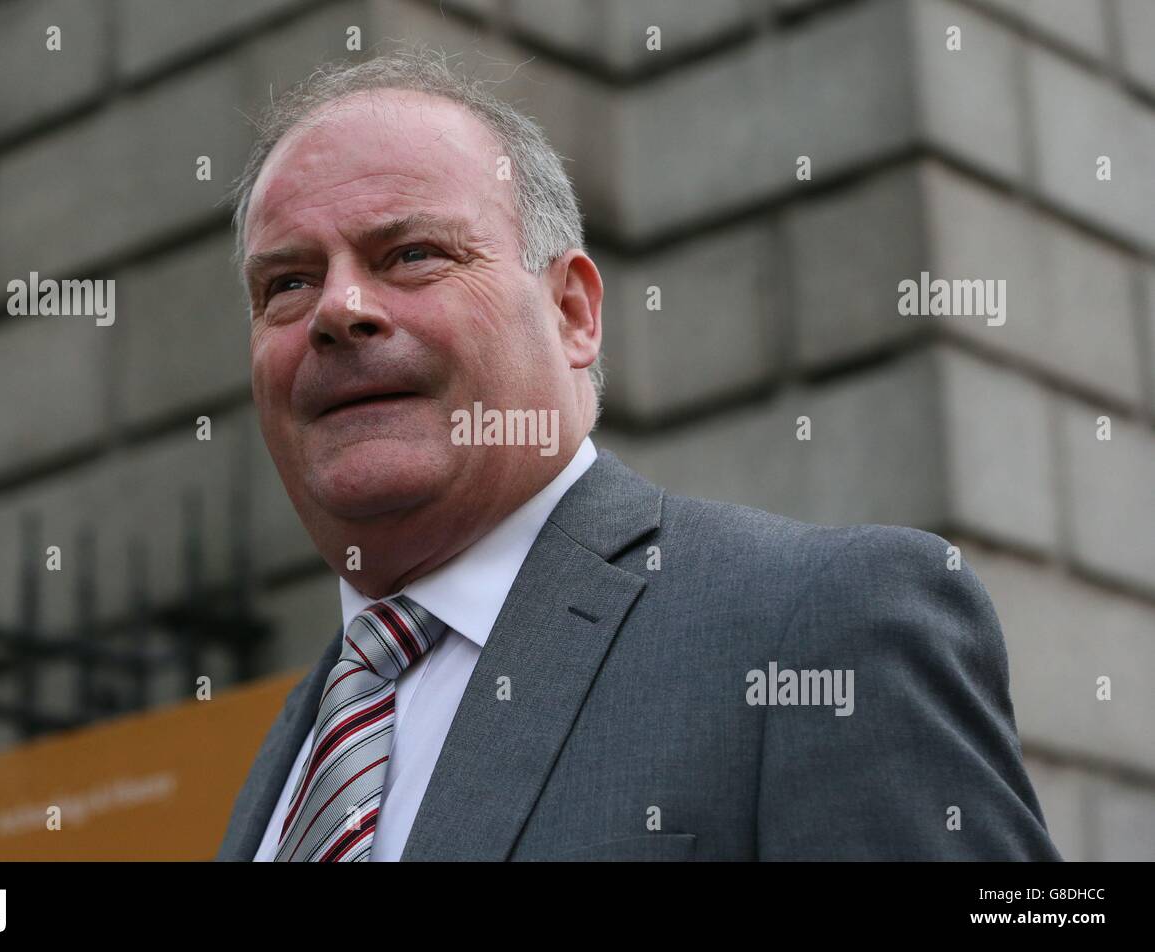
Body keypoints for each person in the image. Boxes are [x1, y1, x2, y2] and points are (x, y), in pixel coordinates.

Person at [216, 50, 1060, 862]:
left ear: (574, 312)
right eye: (286, 283)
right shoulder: (290, 751)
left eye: (411, 254)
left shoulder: (820, 629)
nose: (339, 308)